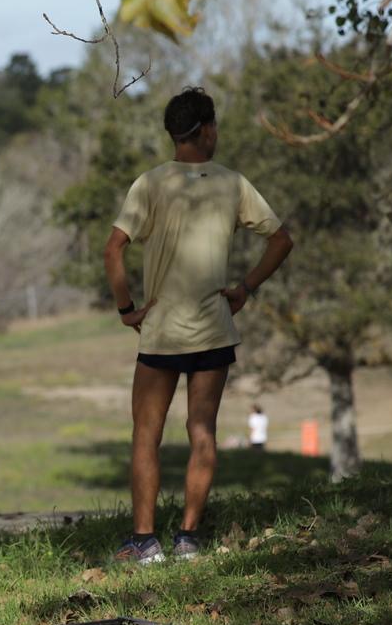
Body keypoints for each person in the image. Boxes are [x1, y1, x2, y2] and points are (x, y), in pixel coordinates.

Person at [104, 87, 294, 563]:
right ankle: (188, 538)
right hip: (213, 329)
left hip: (162, 332)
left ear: (174, 134)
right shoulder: (232, 183)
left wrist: (127, 309)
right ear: (206, 129)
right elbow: (281, 240)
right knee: (202, 430)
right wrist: (245, 288)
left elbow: (113, 248)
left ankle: (145, 541)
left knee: (146, 433)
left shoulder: (150, 183)